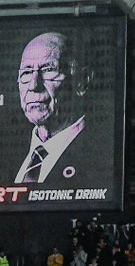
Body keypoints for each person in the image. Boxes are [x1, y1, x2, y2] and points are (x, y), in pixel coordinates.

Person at [14, 31, 91, 184]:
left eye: (48, 70)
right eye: (27, 72)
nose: (33, 85)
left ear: (81, 82)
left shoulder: (102, 152)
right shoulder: (4, 155)